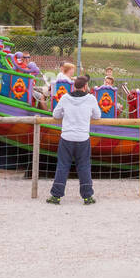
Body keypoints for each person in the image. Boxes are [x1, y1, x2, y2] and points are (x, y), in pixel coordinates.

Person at [47, 75, 102, 205]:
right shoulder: (90, 99)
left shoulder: (65, 98)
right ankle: (87, 196)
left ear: (74, 86)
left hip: (66, 136)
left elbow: (55, 114)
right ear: (85, 86)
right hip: (83, 137)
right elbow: (97, 115)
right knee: (84, 166)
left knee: (62, 165)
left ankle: (56, 196)